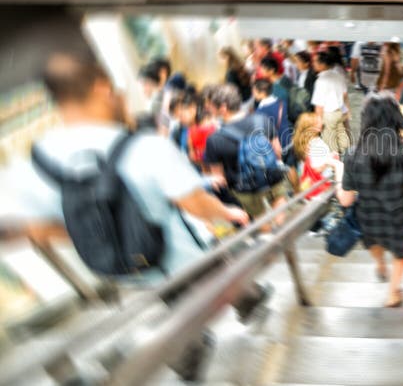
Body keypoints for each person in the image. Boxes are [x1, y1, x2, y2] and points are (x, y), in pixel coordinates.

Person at [7, 53, 248, 282]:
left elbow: (35, 229)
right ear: (101, 88)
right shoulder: (145, 147)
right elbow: (195, 203)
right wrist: (229, 213)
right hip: (186, 266)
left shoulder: (37, 163)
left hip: (128, 282)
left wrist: (103, 233)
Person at [336, 94, 403, 307]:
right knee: (400, 251)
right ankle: (393, 292)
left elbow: (346, 200)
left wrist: (339, 172)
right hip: (400, 215)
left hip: (368, 215)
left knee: (373, 242)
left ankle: (380, 265)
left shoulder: (352, 155)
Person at [204, 85, 288, 218]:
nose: (209, 109)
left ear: (223, 108)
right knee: (280, 207)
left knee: (261, 220)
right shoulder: (262, 119)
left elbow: (219, 179)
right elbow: (277, 151)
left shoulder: (215, 139)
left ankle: (270, 235)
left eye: (212, 106)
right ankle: (282, 229)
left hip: (246, 190)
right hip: (273, 177)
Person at [293, 112, 343, 197]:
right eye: (318, 122)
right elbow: (316, 169)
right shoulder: (316, 144)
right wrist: (330, 161)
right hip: (320, 184)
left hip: (308, 183)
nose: (321, 122)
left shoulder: (304, 142)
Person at [311, 50, 350, 154]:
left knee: (330, 144)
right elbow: (345, 94)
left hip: (328, 114)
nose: (313, 64)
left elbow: (319, 105)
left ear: (322, 64)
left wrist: (318, 122)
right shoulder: (338, 75)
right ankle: (345, 156)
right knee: (341, 135)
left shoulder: (320, 80)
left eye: (315, 61)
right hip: (339, 111)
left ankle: (335, 165)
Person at [253, 79, 291, 149]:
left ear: (262, 93)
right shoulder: (282, 103)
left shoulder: (260, 112)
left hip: (276, 148)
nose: (253, 94)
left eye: (254, 91)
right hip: (288, 142)